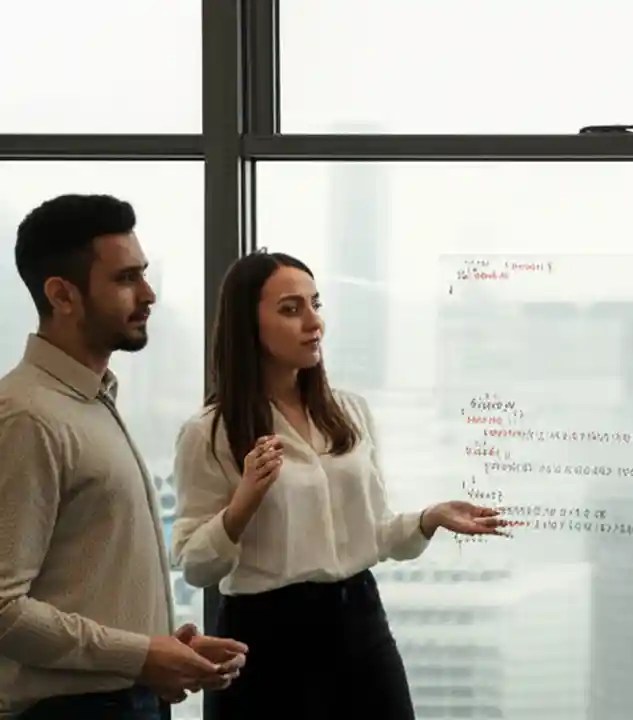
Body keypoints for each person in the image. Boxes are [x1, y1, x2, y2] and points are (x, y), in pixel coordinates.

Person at [171, 250, 514, 719]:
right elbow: (196, 566)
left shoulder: (348, 412)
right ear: (247, 325)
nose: (314, 322)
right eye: (291, 310)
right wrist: (244, 502)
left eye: (316, 304)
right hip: (268, 634)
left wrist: (429, 519)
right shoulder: (209, 432)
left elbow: (375, 533)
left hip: (359, 619)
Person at [0, 194, 245, 720]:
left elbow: (84, 576)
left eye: (144, 274)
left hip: (123, 700)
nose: (149, 294)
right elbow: (2, 609)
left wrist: (160, 646)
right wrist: (139, 654)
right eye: (126, 279)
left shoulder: (90, 401)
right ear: (62, 295)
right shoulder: (27, 417)